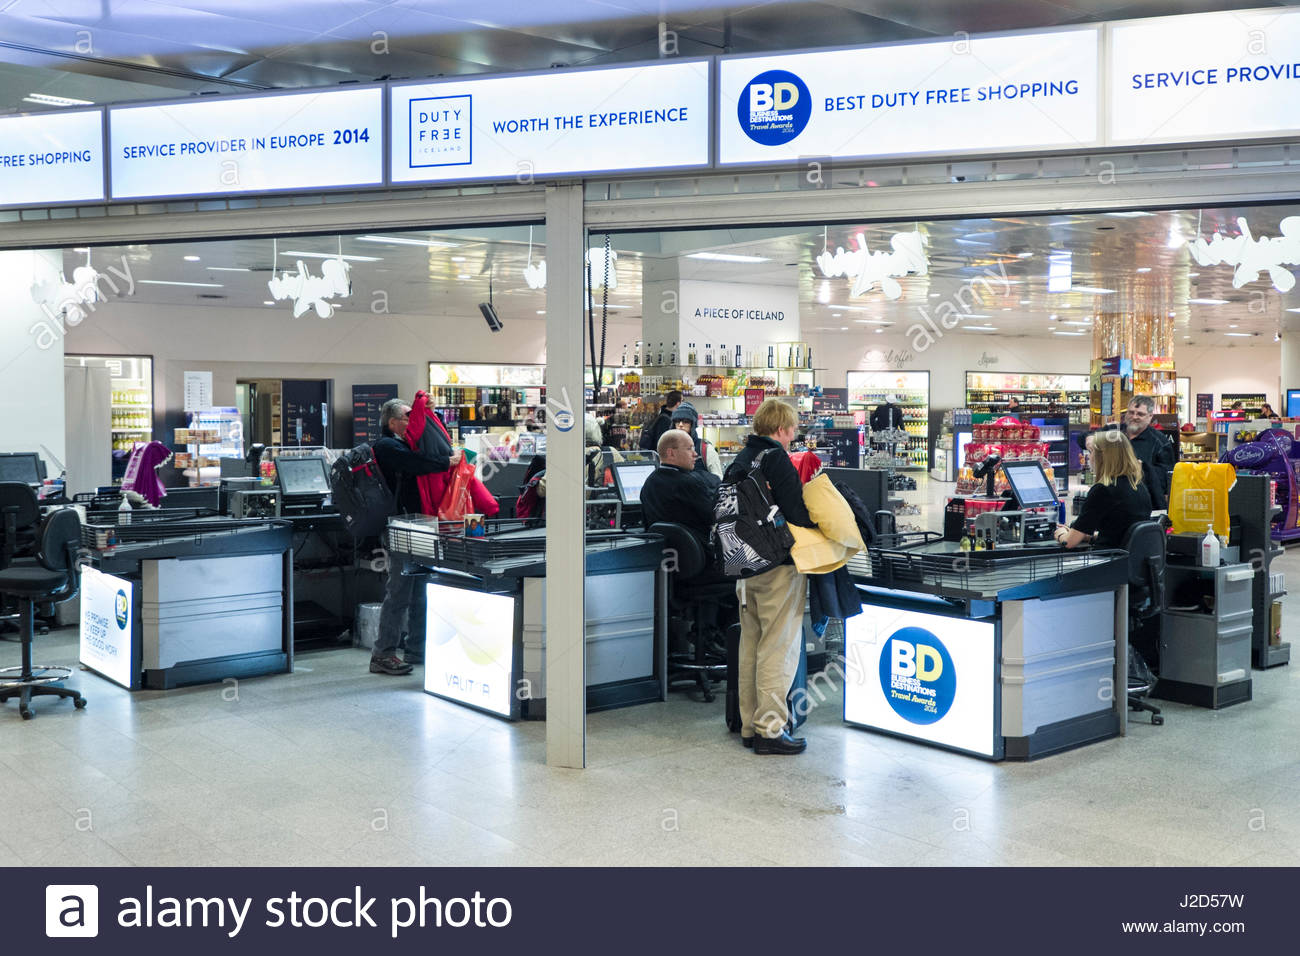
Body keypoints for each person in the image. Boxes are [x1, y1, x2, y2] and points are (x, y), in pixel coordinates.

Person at [729, 399, 816, 756]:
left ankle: (750, 725)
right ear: (781, 429)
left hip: (744, 565)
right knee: (778, 647)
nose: (793, 436)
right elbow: (797, 511)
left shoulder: (742, 456)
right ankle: (771, 729)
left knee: (751, 643)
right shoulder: (775, 458)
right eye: (793, 429)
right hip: (778, 564)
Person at [370, 398, 460, 675]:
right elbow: (417, 463)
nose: (411, 422)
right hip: (400, 527)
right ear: (392, 422)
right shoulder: (387, 446)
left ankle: (416, 648)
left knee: (420, 588)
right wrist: (447, 461)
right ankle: (383, 653)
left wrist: (430, 417)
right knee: (399, 590)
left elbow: (426, 446)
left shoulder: (402, 442)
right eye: (407, 417)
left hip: (416, 524)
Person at [1055, 429, 1152, 549]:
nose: (1088, 457)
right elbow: (1123, 535)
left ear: (1102, 457)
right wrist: (1089, 537)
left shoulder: (1103, 490)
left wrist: (1061, 534)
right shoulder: (1138, 485)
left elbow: (1069, 543)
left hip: (1106, 561)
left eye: (1091, 452)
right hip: (1129, 560)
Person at [641, 429, 721, 555]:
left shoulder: (648, 483)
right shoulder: (688, 483)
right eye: (689, 449)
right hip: (700, 559)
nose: (695, 454)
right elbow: (714, 517)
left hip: (665, 558)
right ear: (671, 453)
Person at [1099, 396, 1176, 504]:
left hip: (1142, 501)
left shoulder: (1160, 442)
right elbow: (1083, 439)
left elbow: (1167, 476)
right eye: (1131, 412)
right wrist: (1089, 438)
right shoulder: (1114, 431)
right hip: (1111, 496)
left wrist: (1142, 468)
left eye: (1140, 414)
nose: (1134, 417)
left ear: (1150, 416)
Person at [669, 401, 723, 477]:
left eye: (686, 421)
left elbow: (718, 478)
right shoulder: (669, 448)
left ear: (693, 424)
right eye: (677, 421)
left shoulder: (705, 449)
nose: (680, 425)